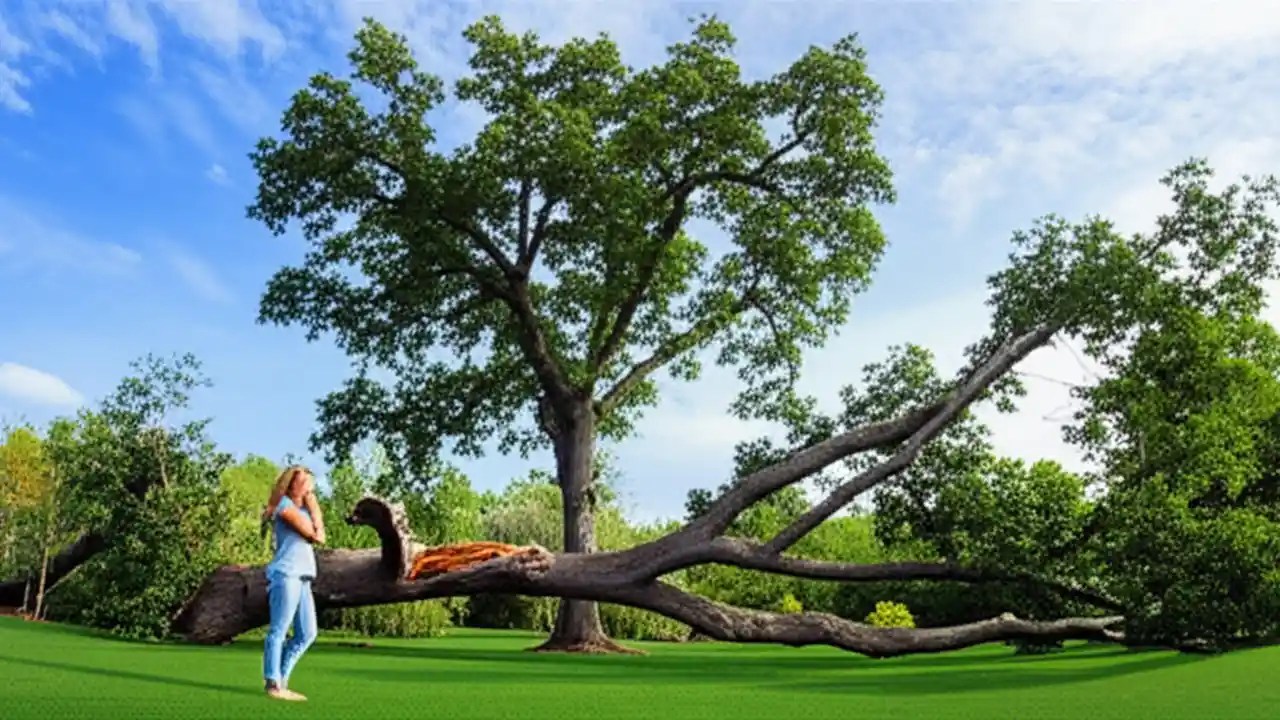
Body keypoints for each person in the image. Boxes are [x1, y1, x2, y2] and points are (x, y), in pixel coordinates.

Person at [260, 464, 326, 701]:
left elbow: (323, 535)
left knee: (307, 633)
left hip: (305, 575)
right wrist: (314, 509)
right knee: (278, 629)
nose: (310, 486)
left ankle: (282, 678)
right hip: (286, 573)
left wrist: (314, 509)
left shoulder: (305, 509)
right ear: (292, 483)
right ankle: (272, 682)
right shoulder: (284, 506)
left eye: (310, 481)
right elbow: (312, 535)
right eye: (305, 481)